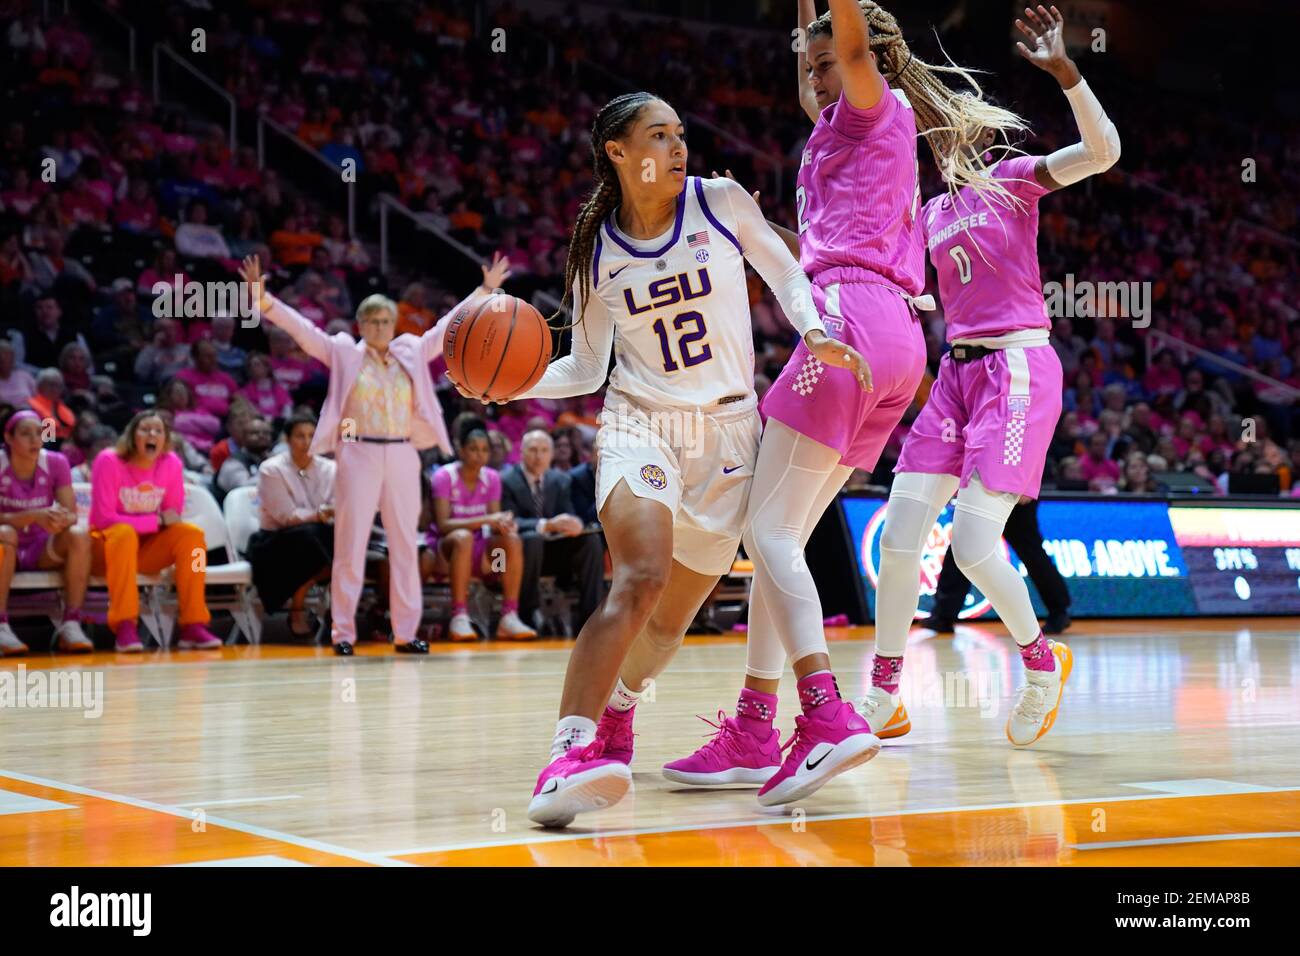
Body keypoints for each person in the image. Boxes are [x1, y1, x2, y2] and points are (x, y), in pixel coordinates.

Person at [448, 90, 865, 828]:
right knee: (638, 577)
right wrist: (508, 385)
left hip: (732, 435)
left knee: (670, 624)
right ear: (617, 151)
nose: (679, 148)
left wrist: (814, 328)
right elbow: (584, 366)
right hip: (640, 422)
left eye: (680, 134)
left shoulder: (720, 202)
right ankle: (567, 751)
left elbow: (786, 270)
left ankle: (615, 718)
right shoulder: (596, 244)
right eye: (660, 135)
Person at [661, 0, 1020, 804]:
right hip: (891, 340)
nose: (817, 77)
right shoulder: (835, 121)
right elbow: (806, 66)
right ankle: (756, 727)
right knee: (777, 527)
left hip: (851, 319)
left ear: (865, 61)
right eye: (813, 65)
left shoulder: (871, 105)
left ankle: (826, 719)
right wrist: (804, 19)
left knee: (767, 528)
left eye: (830, 63)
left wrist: (836, 29)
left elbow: (845, 46)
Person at [869, 5, 1117, 745]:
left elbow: (1102, 151)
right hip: (956, 375)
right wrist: (770, 236)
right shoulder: (930, 211)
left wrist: (1068, 74)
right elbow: (903, 285)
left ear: (972, 131)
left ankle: (1042, 664)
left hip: (1015, 367)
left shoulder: (1013, 181)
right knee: (902, 532)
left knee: (976, 543)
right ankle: (883, 694)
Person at [239, 252, 504, 656]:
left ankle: (405, 632)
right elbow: (305, 332)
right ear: (361, 324)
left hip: (401, 452)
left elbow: (446, 326)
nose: (381, 326)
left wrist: (484, 292)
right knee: (351, 543)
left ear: (393, 323)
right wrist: (264, 301)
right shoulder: (345, 352)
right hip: (358, 451)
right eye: (373, 321)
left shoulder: (411, 350)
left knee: (405, 542)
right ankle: (342, 633)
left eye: (386, 320)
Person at [89, 410, 222, 652]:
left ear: (165, 438)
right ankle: (125, 624)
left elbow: (173, 515)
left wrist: (158, 521)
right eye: (145, 429)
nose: (152, 434)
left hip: (145, 552)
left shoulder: (171, 464)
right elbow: (103, 518)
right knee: (123, 534)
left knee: (192, 537)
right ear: (132, 436)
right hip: (105, 551)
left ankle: (193, 623)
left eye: (158, 430)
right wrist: (155, 520)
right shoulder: (109, 460)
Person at [422, 426, 536, 641]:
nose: (479, 454)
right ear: (461, 451)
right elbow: (444, 524)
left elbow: (494, 524)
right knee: (463, 537)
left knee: (510, 541)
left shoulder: (492, 477)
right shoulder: (444, 476)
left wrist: (504, 523)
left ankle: (508, 615)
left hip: (483, 556)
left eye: (484, 449)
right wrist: (486, 520)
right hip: (445, 552)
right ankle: (459, 616)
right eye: (473, 449)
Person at [0, 410, 94, 654]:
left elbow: (72, 513)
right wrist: (32, 516)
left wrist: (60, 519)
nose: (35, 439)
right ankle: (0, 625)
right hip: (4, 547)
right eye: (25, 434)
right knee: (6, 533)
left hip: (39, 549)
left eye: (39, 433)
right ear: (8, 439)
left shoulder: (56, 462)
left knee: (79, 534)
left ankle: (71, 624)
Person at [501, 429, 604, 635]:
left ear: (551, 454)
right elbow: (509, 522)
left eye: (544, 450)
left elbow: (568, 514)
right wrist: (546, 524)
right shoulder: (506, 480)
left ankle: (591, 617)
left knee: (591, 540)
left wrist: (574, 523)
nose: (539, 456)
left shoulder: (561, 480)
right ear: (521, 452)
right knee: (531, 539)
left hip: (554, 552)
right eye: (533, 450)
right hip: (520, 554)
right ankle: (526, 614)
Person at [247, 413, 335, 637]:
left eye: (312, 436)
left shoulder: (331, 468)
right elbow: (287, 517)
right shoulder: (271, 469)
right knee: (312, 537)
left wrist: (327, 513)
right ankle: (298, 607)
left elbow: (337, 505)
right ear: (287, 440)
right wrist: (320, 513)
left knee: (341, 538)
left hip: (320, 533)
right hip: (276, 541)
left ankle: (333, 610)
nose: (307, 442)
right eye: (300, 436)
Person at [215, 415, 272, 500]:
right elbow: (243, 490)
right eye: (255, 433)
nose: (261, 436)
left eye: (266, 433)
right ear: (243, 438)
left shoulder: (272, 458)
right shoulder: (234, 462)